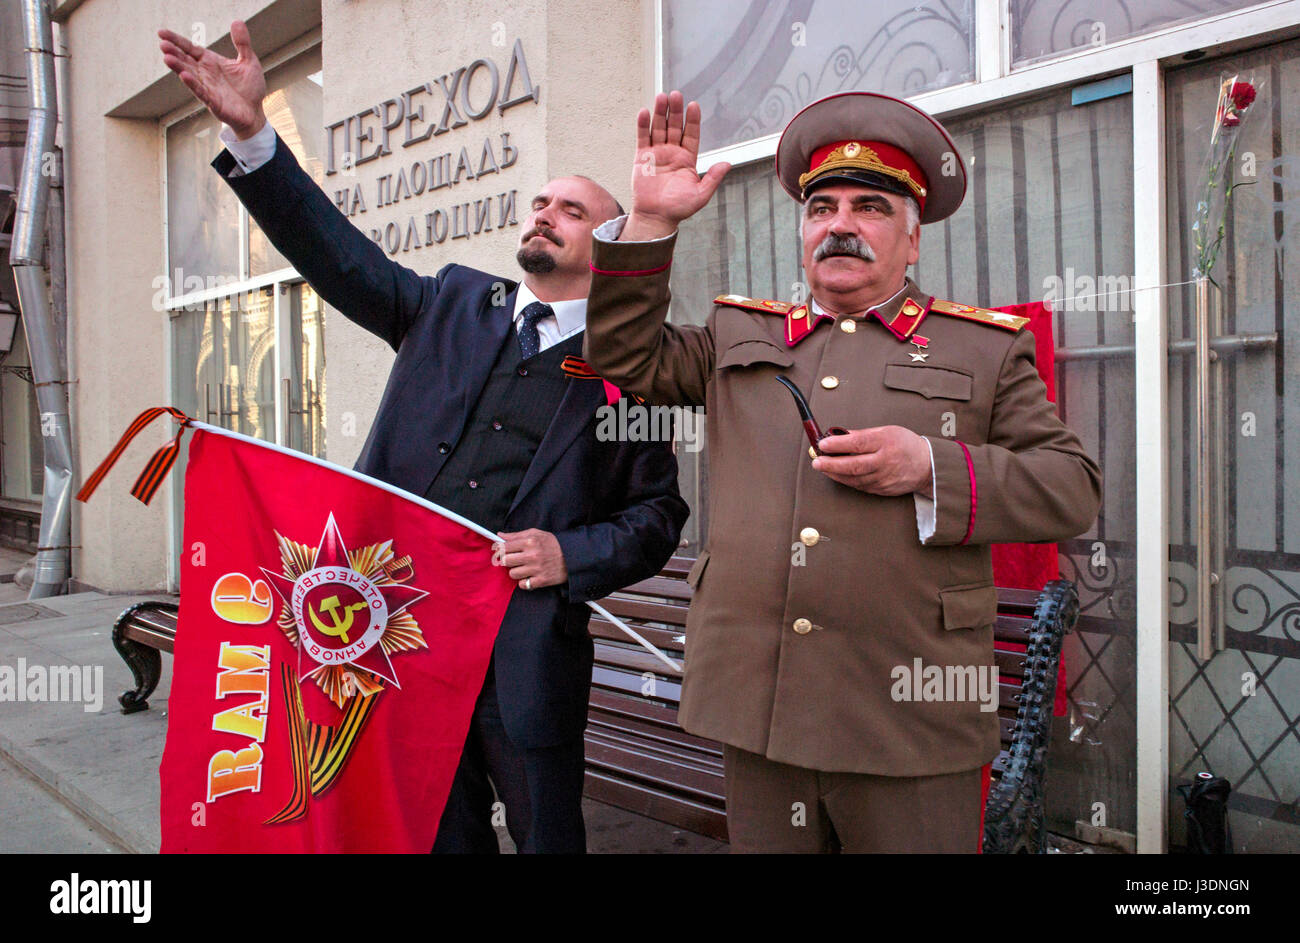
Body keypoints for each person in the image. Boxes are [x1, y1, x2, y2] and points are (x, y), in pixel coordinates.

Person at [158, 21, 688, 854]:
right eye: (542, 201)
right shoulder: (449, 303)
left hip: (524, 660)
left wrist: (568, 554)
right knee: (431, 834)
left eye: (572, 210)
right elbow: (336, 257)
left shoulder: (632, 365)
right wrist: (255, 135)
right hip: (393, 637)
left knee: (550, 837)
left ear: (610, 246)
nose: (546, 214)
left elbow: (659, 513)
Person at [582, 90, 1102, 853]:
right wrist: (654, 223)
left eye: (870, 207)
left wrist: (927, 465)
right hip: (761, 706)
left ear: (913, 239)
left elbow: (1071, 485)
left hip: (907, 717)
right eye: (821, 208)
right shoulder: (739, 332)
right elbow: (622, 358)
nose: (841, 225)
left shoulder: (983, 350)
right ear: (803, 233)